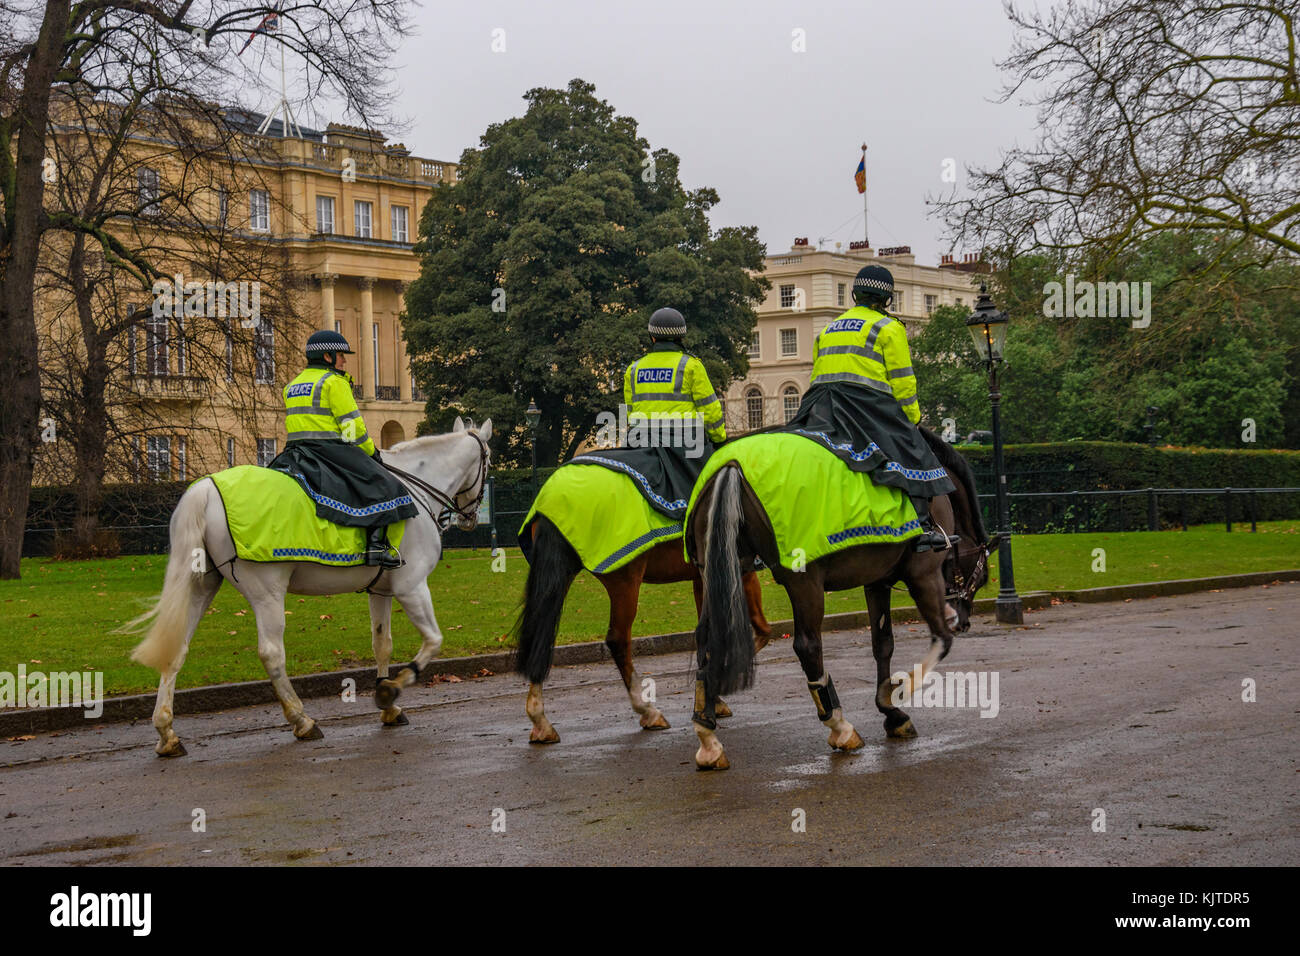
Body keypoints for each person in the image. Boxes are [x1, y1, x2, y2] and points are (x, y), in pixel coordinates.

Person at [806, 265, 953, 551]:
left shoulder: (827, 329)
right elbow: (903, 382)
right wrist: (911, 420)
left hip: (819, 407)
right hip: (863, 406)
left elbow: (817, 375)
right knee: (916, 453)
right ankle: (922, 528)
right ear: (886, 299)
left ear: (854, 294)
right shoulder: (888, 327)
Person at [268, 329, 416, 568]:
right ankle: (376, 548)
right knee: (384, 485)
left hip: (294, 452)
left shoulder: (292, 385)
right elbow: (351, 427)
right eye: (341, 355)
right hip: (329, 450)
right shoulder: (333, 382)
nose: (345, 360)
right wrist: (370, 452)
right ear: (327, 356)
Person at [623, 307, 726, 450]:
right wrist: (719, 439)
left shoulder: (633, 370)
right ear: (681, 337)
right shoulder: (691, 366)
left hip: (641, 444)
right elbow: (710, 410)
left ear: (652, 337)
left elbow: (629, 412)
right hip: (684, 445)